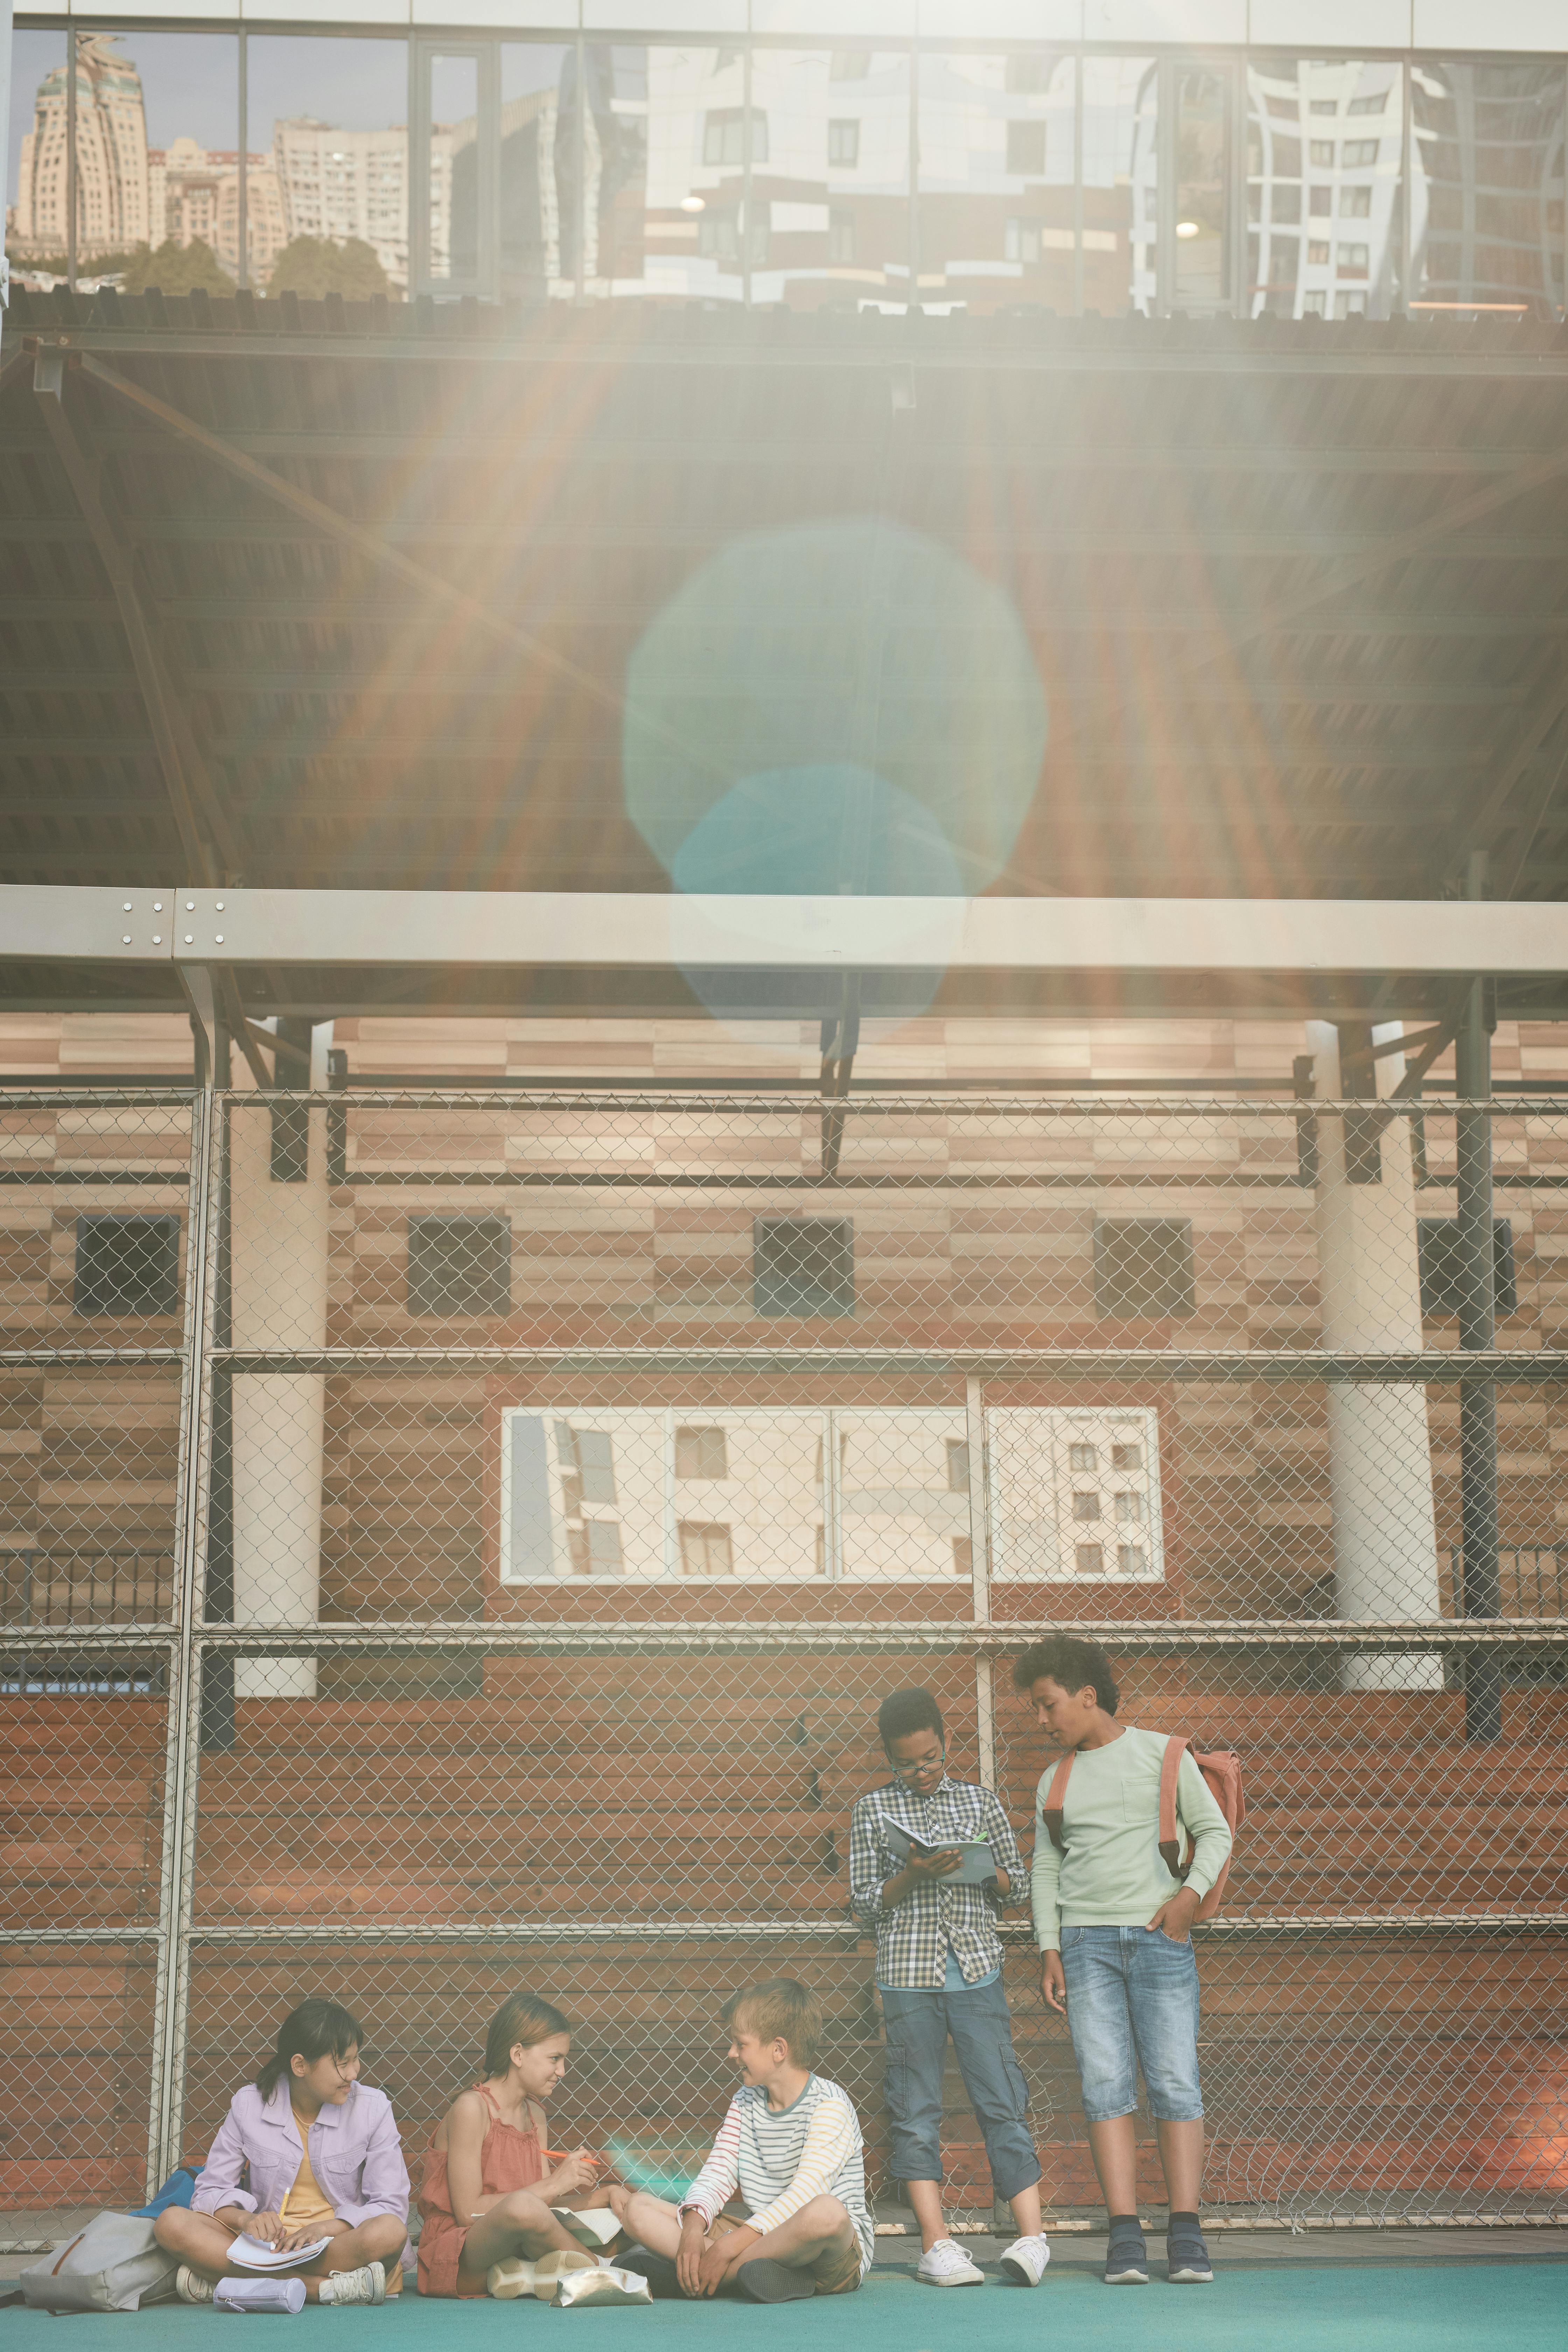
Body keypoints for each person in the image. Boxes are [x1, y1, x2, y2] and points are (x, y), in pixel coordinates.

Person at [1013, 1634, 1232, 2288]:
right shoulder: (1057, 1780)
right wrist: (1049, 1947)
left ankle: (1186, 2233)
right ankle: (1125, 2235)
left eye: (1049, 1705)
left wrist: (1187, 1901)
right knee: (1105, 2085)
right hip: (1085, 1948)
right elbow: (1048, 1865)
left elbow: (1215, 1831)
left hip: (1160, 1938)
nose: (1043, 1720)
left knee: (1174, 2081)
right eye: (1037, 1709)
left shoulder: (1164, 1754)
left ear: (1087, 1696)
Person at [848, 1685, 1049, 2289]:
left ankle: (1031, 2237)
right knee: (916, 2111)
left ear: (946, 1743)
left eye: (931, 1758)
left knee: (1002, 2100)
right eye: (907, 1763)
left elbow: (1015, 1884)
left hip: (977, 1971)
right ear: (889, 1759)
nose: (922, 1772)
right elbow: (862, 1908)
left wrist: (989, 1875)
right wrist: (911, 1874)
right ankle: (936, 2244)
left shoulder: (979, 1802)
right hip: (908, 1978)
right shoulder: (872, 1812)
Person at [609, 1977, 872, 2302]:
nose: (731, 2053)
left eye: (741, 2044)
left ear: (778, 2050)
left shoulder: (829, 2105)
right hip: (761, 2241)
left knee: (826, 2212)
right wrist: (692, 2229)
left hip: (828, 2255)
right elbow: (718, 2170)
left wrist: (727, 2248)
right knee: (638, 2209)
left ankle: (703, 2278)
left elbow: (805, 2195)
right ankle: (753, 2274)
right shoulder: (745, 2100)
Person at [155, 1996, 410, 2306]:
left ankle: (236, 2281)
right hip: (265, 2246)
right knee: (171, 2224)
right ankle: (323, 2290)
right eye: (343, 2063)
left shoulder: (373, 2108)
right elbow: (209, 2191)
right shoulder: (249, 2104)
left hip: (335, 2246)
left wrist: (325, 2228)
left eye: (356, 2059)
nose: (354, 2073)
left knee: (390, 2232)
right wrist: (246, 2220)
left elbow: (390, 2204)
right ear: (300, 2065)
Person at [416, 1989, 612, 2297]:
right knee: (524, 2206)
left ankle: (528, 2275)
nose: (562, 2071)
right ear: (518, 2054)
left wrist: (605, 2195)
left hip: (512, 2246)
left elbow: (540, 2210)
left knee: (610, 2208)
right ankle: (604, 2272)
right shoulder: (472, 2108)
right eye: (554, 2059)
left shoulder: (535, 2114)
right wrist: (556, 2183)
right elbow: (469, 2212)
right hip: (462, 2254)